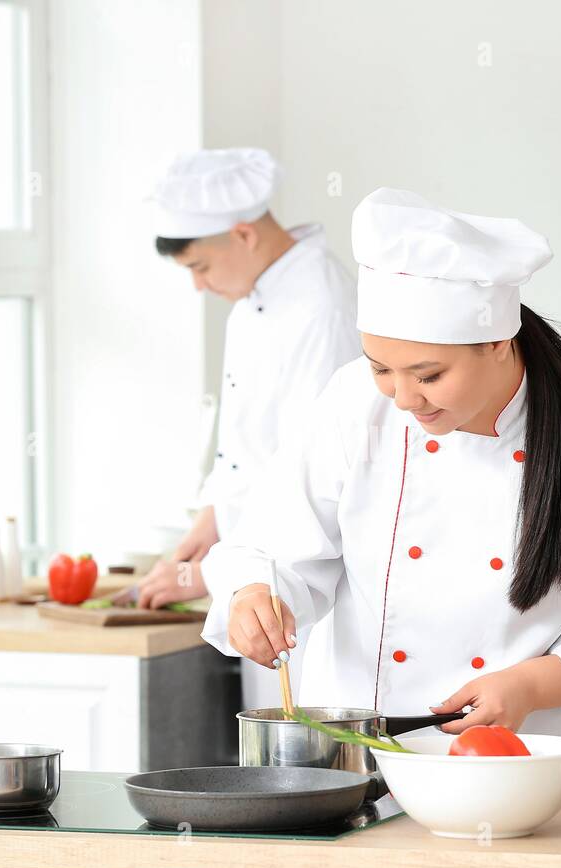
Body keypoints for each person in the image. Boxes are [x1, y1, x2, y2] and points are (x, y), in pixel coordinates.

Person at [198, 187, 561, 786]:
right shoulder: (352, 403)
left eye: (429, 375)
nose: (404, 399)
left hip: (528, 765)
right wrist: (257, 592)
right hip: (360, 767)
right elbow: (276, 547)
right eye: (382, 368)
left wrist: (530, 684)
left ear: (497, 342)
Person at [137, 148, 358, 711]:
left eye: (199, 267)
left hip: (303, 582)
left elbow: (311, 477)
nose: (197, 286)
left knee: (313, 758)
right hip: (251, 570)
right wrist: (210, 522)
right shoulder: (253, 302)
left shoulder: (319, 308)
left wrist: (210, 576)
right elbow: (248, 447)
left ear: (242, 235)